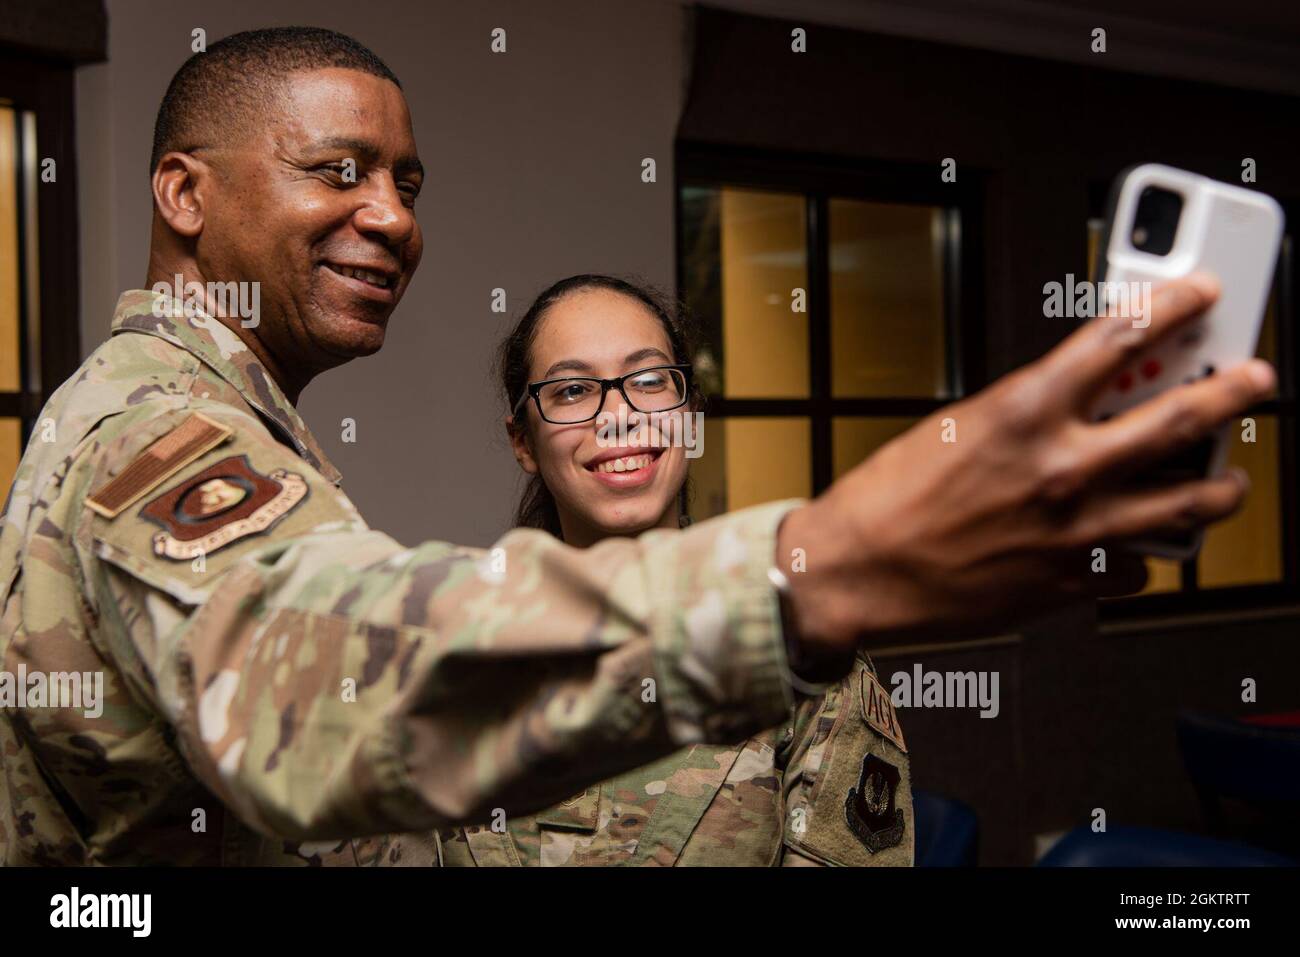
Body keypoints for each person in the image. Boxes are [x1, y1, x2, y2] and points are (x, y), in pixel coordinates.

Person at [0, 27, 1274, 866]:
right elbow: (318, 700)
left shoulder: (242, 429)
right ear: (184, 193)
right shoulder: (160, 425)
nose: (388, 218)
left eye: (408, 183)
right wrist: (826, 565)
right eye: (337, 171)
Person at [438, 275, 912, 866]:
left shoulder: (796, 647)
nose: (618, 417)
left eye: (648, 381)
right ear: (524, 441)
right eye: (572, 391)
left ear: (691, 416)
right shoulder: (455, 645)